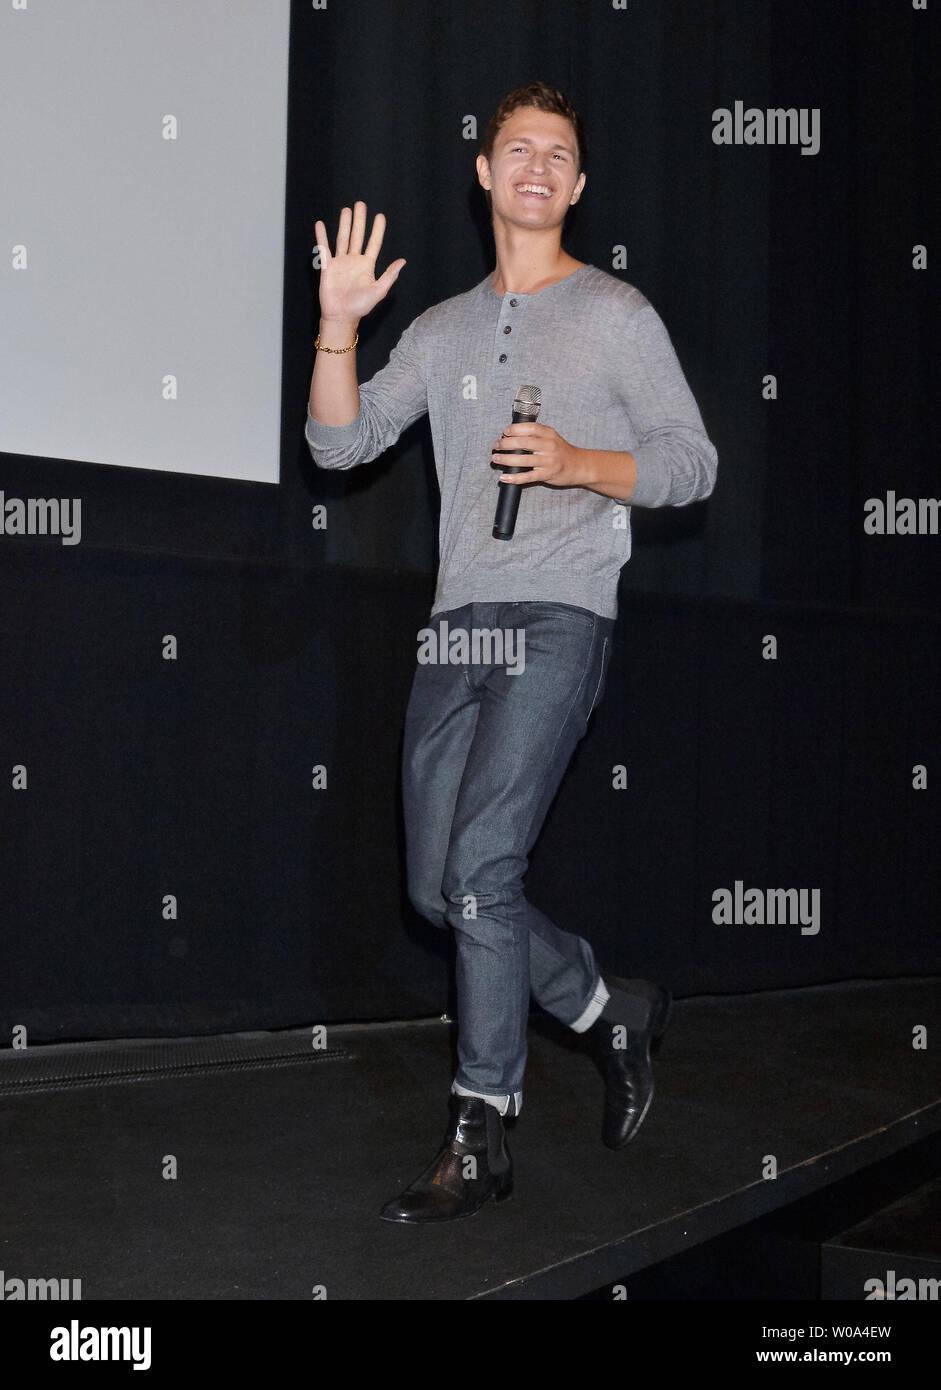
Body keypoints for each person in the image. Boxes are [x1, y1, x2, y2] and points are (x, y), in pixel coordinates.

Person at [305, 82, 717, 1224]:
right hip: (456, 626)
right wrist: (338, 321)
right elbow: (337, 442)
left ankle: (480, 1127)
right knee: (442, 892)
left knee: (483, 869)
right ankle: (603, 1005)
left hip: (560, 614)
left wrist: (583, 462)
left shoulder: (616, 316)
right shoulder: (438, 330)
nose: (537, 164)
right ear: (483, 172)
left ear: (578, 186)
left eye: (560, 153)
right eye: (517, 148)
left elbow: (691, 462)